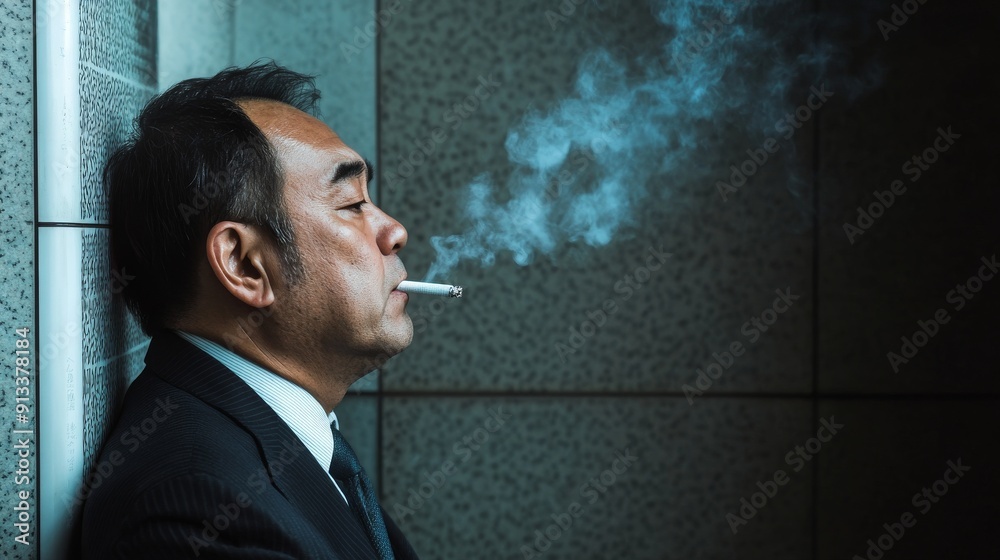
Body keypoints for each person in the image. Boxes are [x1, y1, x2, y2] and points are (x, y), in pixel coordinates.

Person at [81, 62, 418, 559]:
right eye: (350, 203)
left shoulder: (284, 440)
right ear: (243, 265)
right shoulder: (198, 511)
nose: (394, 231)